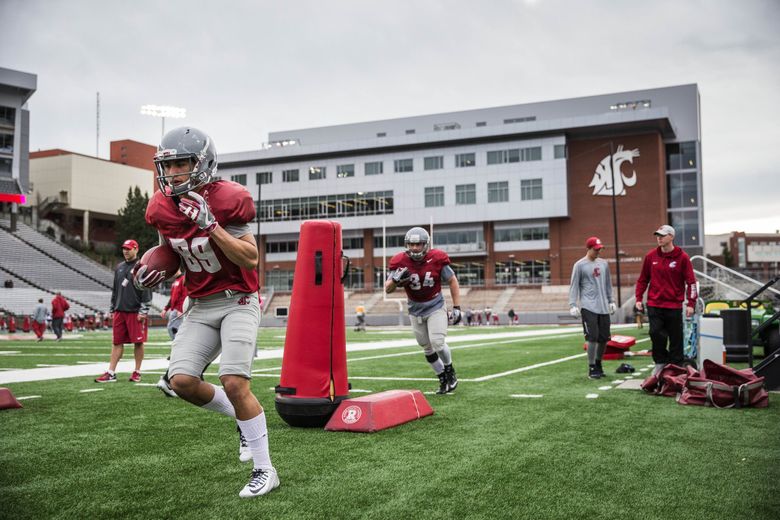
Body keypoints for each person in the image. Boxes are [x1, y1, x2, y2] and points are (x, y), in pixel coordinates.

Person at [137, 126, 278, 498]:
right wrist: (158, 271)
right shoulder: (160, 206)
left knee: (234, 382)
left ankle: (265, 469)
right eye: (167, 165)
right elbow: (174, 255)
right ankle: (241, 419)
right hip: (199, 304)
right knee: (180, 381)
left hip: (238, 299)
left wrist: (210, 225)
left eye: (181, 163)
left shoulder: (228, 199)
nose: (173, 172)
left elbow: (250, 258)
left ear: (202, 164)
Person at [385, 226, 462, 394]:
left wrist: (457, 306)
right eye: (411, 245)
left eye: (418, 244)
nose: (414, 248)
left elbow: (452, 281)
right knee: (426, 347)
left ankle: (450, 370)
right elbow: (387, 289)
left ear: (425, 245)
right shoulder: (399, 261)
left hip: (435, 306)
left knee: (438, 343)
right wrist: (395, 282)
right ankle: (442, 377)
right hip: (415, 309)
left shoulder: (437, 258)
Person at [635, 225, 697, 374]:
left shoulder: (683, 257)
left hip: (674, 306)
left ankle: (675, 367)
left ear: (671, 237)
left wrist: (691, 303)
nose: (659, 238)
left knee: (676, 338)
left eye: (662, 235)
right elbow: (643, 280)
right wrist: (638, 298)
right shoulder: (651, 256)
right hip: (654, 304)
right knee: (655, 333)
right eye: (658, 235)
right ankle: (660, 363)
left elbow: (691, 282)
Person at [94, 239, 151, 384]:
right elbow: (115, 290)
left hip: (135, 311)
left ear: (136, 249)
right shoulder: (119, 267)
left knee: (138, 343)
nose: (126, 251)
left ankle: (137, 372)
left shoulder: (142, 267)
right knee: (116, 342)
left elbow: (147, 289)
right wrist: (113, 308)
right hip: (120, 311)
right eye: (124, 248)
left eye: (129, 248)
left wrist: (143, 311)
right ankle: (111, 372)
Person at [569, 236, 616, 379]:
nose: (598, 252)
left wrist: (611, 300)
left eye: (600, 249)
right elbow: (574, 285)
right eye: (596, 249)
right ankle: (591, 367)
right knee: (592, 337)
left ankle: (598, 363)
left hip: (603, 307)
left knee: (604, 339)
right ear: (588, 248)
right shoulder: (579, 265)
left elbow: (608, 283)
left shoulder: (604, 264)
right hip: (588, 306)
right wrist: (572, 304)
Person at [157, 272, 188, 398]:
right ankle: (178, 349)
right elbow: (172, 297)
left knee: (176, 330)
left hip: (180, 309)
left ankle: (178, 348)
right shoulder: (175, 281)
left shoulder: (182, 279)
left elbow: (185, 294)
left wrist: (182, 308)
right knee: (173, 330)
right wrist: (166, 308)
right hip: (175, 309)